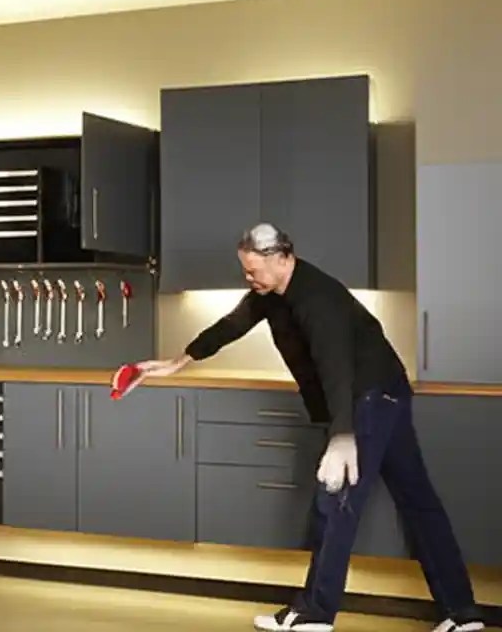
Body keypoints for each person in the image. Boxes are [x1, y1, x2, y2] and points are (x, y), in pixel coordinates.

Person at [122, 223, 485, 632]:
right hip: (385, 392)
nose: (248, 278)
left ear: (281, 259)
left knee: (338, 501)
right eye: (245, 270)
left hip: (366, 395)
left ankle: (315, 613)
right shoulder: (271, 292)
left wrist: (343, 435)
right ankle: (461, 612)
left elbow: (336, 368)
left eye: (252, 269)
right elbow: (234, 323)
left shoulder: (317, 298)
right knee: (417, 501)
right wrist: (179, 360)